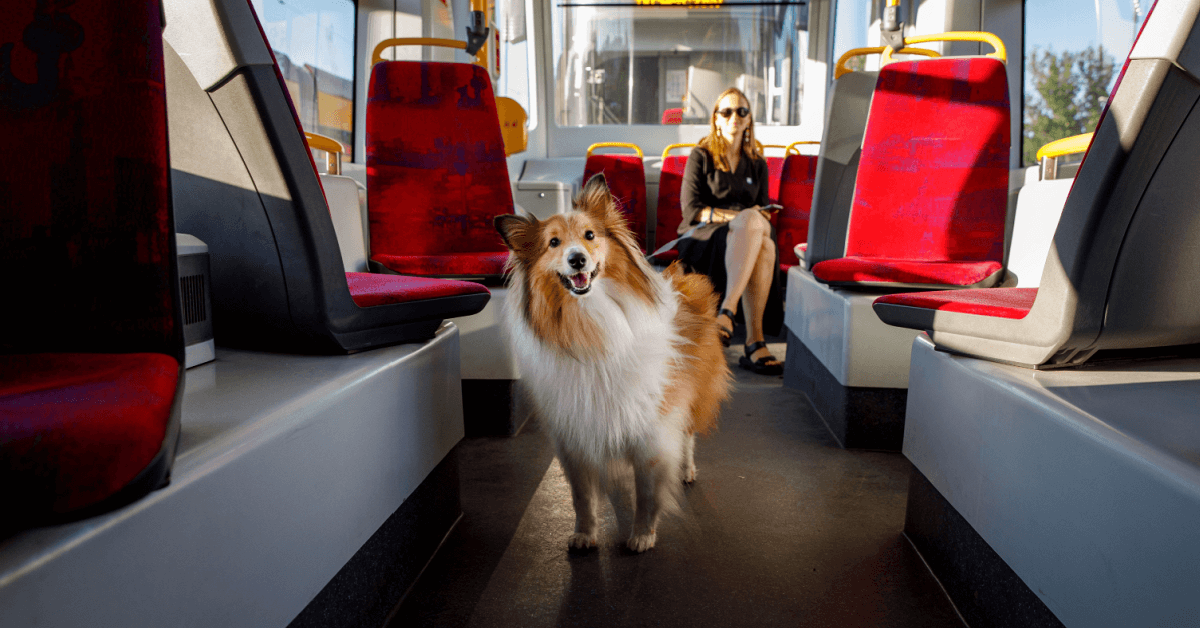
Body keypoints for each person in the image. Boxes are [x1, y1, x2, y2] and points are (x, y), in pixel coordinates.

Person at [676, 87, 784, 376]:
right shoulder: (701, 156)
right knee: (755, 230)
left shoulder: (757, 164)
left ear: (749, 120)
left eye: (741, 111)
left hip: (746, 235)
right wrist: (741, 218)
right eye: (727, 111)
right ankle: (754, 342)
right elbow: (691, 210)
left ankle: (727, 313)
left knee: (762, 241)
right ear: (716, 119)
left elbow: (762, 209)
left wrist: (749, 219)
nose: (734, 116)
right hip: (703, 235)